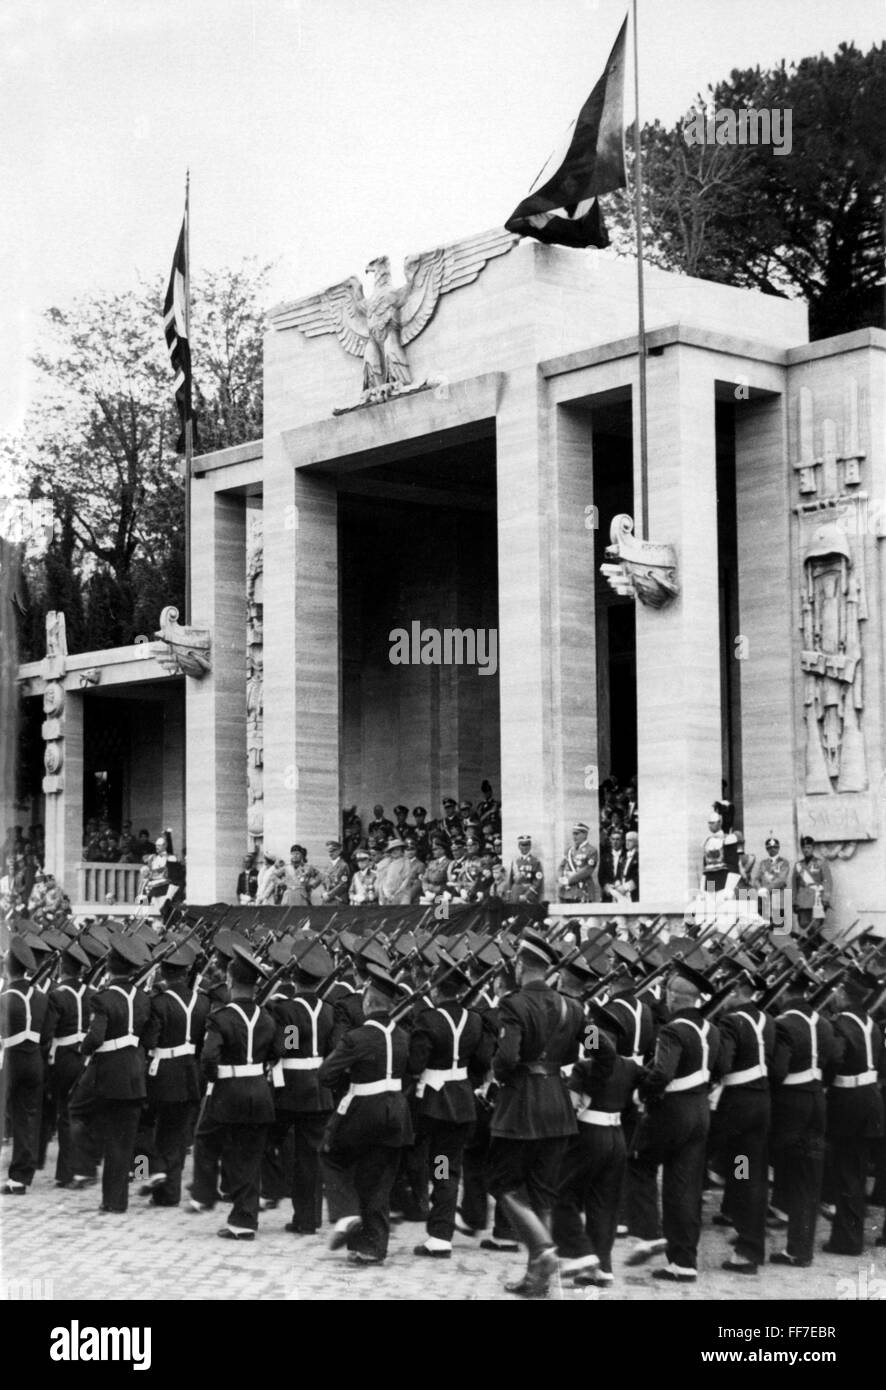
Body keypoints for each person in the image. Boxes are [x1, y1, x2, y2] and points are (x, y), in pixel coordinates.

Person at [488, 928, 585, 1297]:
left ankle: (542, 1250)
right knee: (542, 1193)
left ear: (519, 965)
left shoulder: (512, 1005)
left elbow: (507, 1057)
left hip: (521, 1106)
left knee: (502, 1184)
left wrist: (500, 1075)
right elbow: (598, 1049)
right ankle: (539, 1278)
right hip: (558, 1104)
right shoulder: (573, 1008)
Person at [631, 963, 721, 1282]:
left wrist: (642, 1092)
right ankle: (684, 1261)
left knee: (638, 1164)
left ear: (672, 997)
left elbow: (663, 1073)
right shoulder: (712, 1030)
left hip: (672, 1111)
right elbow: (719, 1069)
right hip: (700, 1110)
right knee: (685, 1186)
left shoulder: (672, 1031)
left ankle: (648, 1233)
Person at [319, 962, 413, 1265]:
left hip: (362, 1109)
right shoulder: (403, 1036)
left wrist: (352, 1072)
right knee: (379, 1179)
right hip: (397, 1110)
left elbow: (326, 1074)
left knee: (332, 1156)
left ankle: (346, 1213)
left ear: (368, 1003)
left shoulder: (356, 1037)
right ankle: (372, 1247)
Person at [190, 944, 280, 1240]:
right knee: (250, 1156)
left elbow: (208, 1058)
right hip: (260, 1091)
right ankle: (244, 1220)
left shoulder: (220, 1017)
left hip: (228, 1092)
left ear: (229, 981)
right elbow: (280, 1050)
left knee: (205, 1138)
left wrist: (214, 1078)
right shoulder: (268, 1017)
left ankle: (204, 1194)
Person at [408, 952, 492, 1259]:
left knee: (433, 1163)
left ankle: (437, 1230)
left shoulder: (427, 1020)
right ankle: (441, 1231)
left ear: (435, 989)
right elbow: (482, 1061)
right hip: (462, 1101)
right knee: (447, 1166)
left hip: (433, 1104)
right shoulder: (475, 1019)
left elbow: (415, 1064)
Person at [263, 940, 336, 1235]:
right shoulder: (328, 1010)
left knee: (270, 1142)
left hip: (293, 1090)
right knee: (310, 1157)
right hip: (320, 1090)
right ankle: (309, 1218)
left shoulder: (289, 1011)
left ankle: (274, 1191)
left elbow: (287, 1047)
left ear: (294, 978)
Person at [78, 930, 153, 1214]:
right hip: (136, 1072)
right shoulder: (143, 998)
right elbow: (149, 1037)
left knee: (111, 1138)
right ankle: (136, 1181)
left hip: (110, 1075)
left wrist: (83, 1049)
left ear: (109, 966)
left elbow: (95, 1037)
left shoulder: (103, 998)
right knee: (130, 1136)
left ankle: (112, 1199)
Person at [769, 966, 838, 1266]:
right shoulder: (823, 1023)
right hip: (816, 1100)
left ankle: (748, 1224)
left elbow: (778, 1071)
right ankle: (800, 1248)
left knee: (750, 1161)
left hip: (790, 1103)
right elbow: (833, 1060)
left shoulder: (782, 1024)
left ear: (785, 990)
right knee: (808, 1176)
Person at [712, 969, 775, 1275]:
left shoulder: (731, 1021)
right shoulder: (767, 1019)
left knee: (743, 1174)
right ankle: (746, 1236)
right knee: (748, 1173)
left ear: (736, 991)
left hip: (739, 1106)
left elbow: (722, 1063)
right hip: (760, 1101)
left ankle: (748, 1249)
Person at [141, 944, 210, 1207]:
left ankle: (149, 1170)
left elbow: (150, 1041)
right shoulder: (202, 1002)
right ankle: (169, 1194)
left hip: (163, 1072)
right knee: (176, 1135)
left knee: (146, 1126)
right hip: (190, 1072)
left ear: (163, 972)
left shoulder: (158, 1003)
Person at [823, 968, 885, 1255]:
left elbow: (834, 1060)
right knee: (856, 1172)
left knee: (846, 1171)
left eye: (838, 991)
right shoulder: (871, 1024)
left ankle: (847, 1239)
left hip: (848, 1101)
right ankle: (851, 1234)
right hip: (870, 1098)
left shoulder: (839, 1025)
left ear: (844, 995)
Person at [0, 937, 49, 1195]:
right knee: (26, 1118)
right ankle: (20, 1177)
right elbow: (47, 1034)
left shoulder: (4, 998)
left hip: (11, 1060)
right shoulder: (41, 997)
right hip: (34, 1059)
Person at [45, 940, 94, 1188]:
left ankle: (68, 1172)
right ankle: (83, 1167)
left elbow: (48, 1032)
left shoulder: (56, 995)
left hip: (63, 1057)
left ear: (62, 968)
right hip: (84, 1057)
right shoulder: (91, 993)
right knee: (79, 1113)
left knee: (66, 1115)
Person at [792, 837, 833, 936]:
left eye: (808, 847)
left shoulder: (820, 863)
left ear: (813, 848)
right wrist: (794, 902)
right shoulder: (798, 865)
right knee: (804, 924)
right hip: (803, 902)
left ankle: (816, 945)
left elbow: (827, 881)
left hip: (817, 900)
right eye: (804, 847)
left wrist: (825, 899)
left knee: (816, 927)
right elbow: (794, 885)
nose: (806, 850)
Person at [752, 835, 791, 922]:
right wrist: (759, 888)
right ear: (766, 849)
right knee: (764, 926)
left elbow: (781, 880)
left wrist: (766, 889)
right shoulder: (763, 863)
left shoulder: (784, 862)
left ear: (778, 848)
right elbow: (756, 879)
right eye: (770, 848)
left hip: (778, 900)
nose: (772, 849)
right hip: (764, 900)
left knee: (778, 926)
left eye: (775, 847)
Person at [559, 823, 600, 903]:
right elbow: (561, 866)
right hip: (568, 891)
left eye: (577, 834)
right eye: (573, 834)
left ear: (585, 835)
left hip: (583, 889)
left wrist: (569, 879)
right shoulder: (569, 850)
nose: (574, 837)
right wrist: (561, 878)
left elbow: (587, 870)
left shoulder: (591, 851)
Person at [505, 835, 545, 905]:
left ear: (530, 846)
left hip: (527, 893)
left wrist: (527, 895)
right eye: (522, 845)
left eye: (527, 845)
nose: (525, 847)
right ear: (519, 846)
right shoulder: (515, 861)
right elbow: (510, 880)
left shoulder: (535, 861)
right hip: (515, 893)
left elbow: (538, 881)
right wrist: (509, 894)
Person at [318, 840, 351, 905]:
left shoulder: (343, 865)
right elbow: (324, 880)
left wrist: (329, 895)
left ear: (339, 851)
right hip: (327, 900)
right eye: (329, 851)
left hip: (338, 899)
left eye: (333, 851)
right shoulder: (328, 865)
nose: (330, 853)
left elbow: (343, 885)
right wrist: (324, 893)